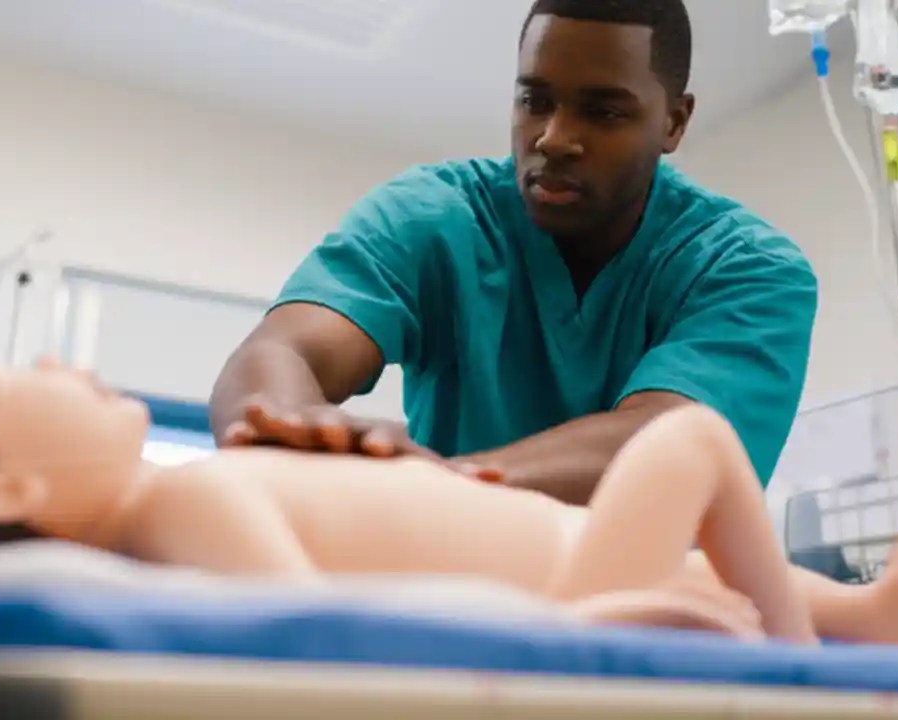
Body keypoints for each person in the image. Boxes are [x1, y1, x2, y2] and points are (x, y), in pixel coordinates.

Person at [0, 359, 898, 646]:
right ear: (8, 488)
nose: (59, 362)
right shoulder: (176, 511)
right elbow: (324, 628)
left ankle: (855, 618)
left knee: (711, 552)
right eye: (22, 384)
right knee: (689, 438)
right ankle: (810, 666)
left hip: (560, 546)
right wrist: (562, 630)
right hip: (559, 589)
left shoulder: (184, 503)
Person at [209, 0, 819, 504]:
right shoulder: (434, 218)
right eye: (535, 101)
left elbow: (668, 448)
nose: (553, 139)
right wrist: (288, 430)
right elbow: (286, 349)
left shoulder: (748, 269)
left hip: (647, 618)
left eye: (603, 111)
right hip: (452, 586)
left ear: (674, 122)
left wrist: (433, 486)